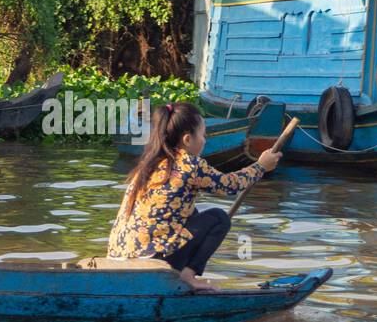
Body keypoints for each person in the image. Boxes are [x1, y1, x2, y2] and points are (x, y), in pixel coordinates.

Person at [108, 101, 283, 291]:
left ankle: (182, 270)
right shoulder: (190, 164)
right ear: (187, 140)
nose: (204, 140)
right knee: (218, 217)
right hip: (152, 259)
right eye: (202, 134)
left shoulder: (148, 165)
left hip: (118, 255)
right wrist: (261, 166)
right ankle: (188, 276)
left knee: (194, 214)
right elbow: (230, 186)